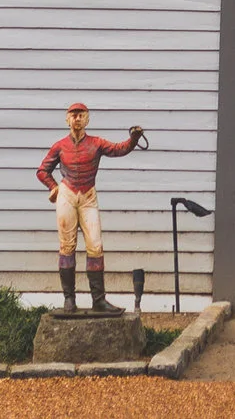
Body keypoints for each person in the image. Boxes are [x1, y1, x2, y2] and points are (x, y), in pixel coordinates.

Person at [36, 100, 147, 312]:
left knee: (95, 246)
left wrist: (133, 139)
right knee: (66, 247)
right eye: (73, 115)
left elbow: (119, 149)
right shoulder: (60, 146)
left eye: (81, 115)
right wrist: (54, 187)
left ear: (87, 119)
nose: (77, 119)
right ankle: (69, 299)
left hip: (88, 196)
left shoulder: (96, 143)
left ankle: (98, 300)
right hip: (67, 195)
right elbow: (42, 171)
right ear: (67, 119)